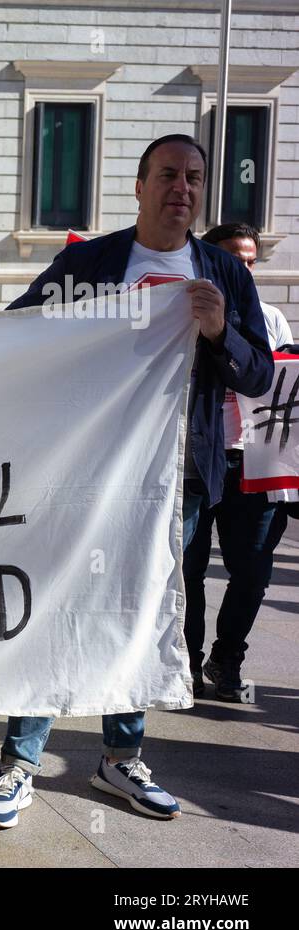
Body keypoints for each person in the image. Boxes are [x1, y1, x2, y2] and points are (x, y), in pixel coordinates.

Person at [0, 133, 274, 828]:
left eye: (195, 177)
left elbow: (256, 375)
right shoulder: (89, 262)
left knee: (142, 613)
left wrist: (221, 333)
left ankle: (120, 758)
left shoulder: (225, 277)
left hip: (180, 480)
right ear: (138, 186)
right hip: (84, 470)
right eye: (168, 174)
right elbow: (18, 334)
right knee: (53, 605)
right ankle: (19, 765)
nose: (183, 188)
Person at [183, 222, 294, 701]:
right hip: (193, 459)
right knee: (184, 570)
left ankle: (227, 658)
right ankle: (183, 661)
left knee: (253, 570)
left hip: (255, 461)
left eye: (251, 261)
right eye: (234, 258)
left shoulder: (270, 318)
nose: (244, 269)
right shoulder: (181, 311)